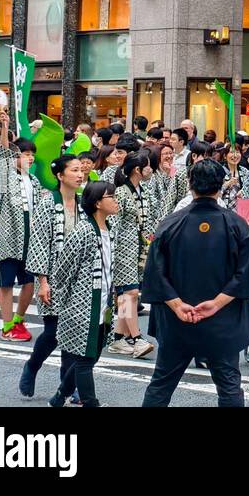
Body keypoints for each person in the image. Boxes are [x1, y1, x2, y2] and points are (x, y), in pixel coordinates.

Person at [141, 158, 249, 407]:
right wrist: (217, 303)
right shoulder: (235, 223)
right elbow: (246, 271)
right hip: (222, 318)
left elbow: (154, 271)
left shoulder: (170, 223)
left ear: (190, 184)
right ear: (220, 187)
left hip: (178, 319)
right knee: (229, 386)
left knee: (161, 384)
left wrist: (176, 305)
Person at [21, 154, 86, 398]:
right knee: (53, 332)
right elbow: (38, 243)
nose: (80, 175)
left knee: (74, 332)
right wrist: (43, 282)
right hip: (53, 278)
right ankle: (32, 365)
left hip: (78, 279)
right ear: (60, 176)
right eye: (74, 170)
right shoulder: (48, 203)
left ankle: (67, 386)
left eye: (81, 170)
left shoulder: (84, 204)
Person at [48, 182, 118, 408]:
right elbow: (61, 271)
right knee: (86, 359)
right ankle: (90, 403)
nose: (116, 200)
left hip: (103, 303)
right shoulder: (83, 231)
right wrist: (72, 298)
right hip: (82, 306)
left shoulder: (110, 228)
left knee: (90, 356)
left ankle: (59, 397)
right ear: (98, 203)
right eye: (111, 196)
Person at [0, 121, 38, 342]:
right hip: (10, 239)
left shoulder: (36, 181)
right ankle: (7, 325)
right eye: (25, 154)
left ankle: (18, 319)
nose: (29, 158)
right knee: (6, 283)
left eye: (31, 155)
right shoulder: (7, 177)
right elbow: (3, 153)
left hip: (32, 239)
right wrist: (5, 128)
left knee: (30, 282)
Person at [108, 151, 155, 358]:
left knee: (129, 295)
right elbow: (115, 224)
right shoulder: (120, 192)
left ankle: (119, 338)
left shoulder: (143, 189)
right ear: (138, 169)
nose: (151, 169)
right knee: (130, 293)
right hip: (123, 247)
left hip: (139, 246)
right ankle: (136, 338)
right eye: (148, 166)